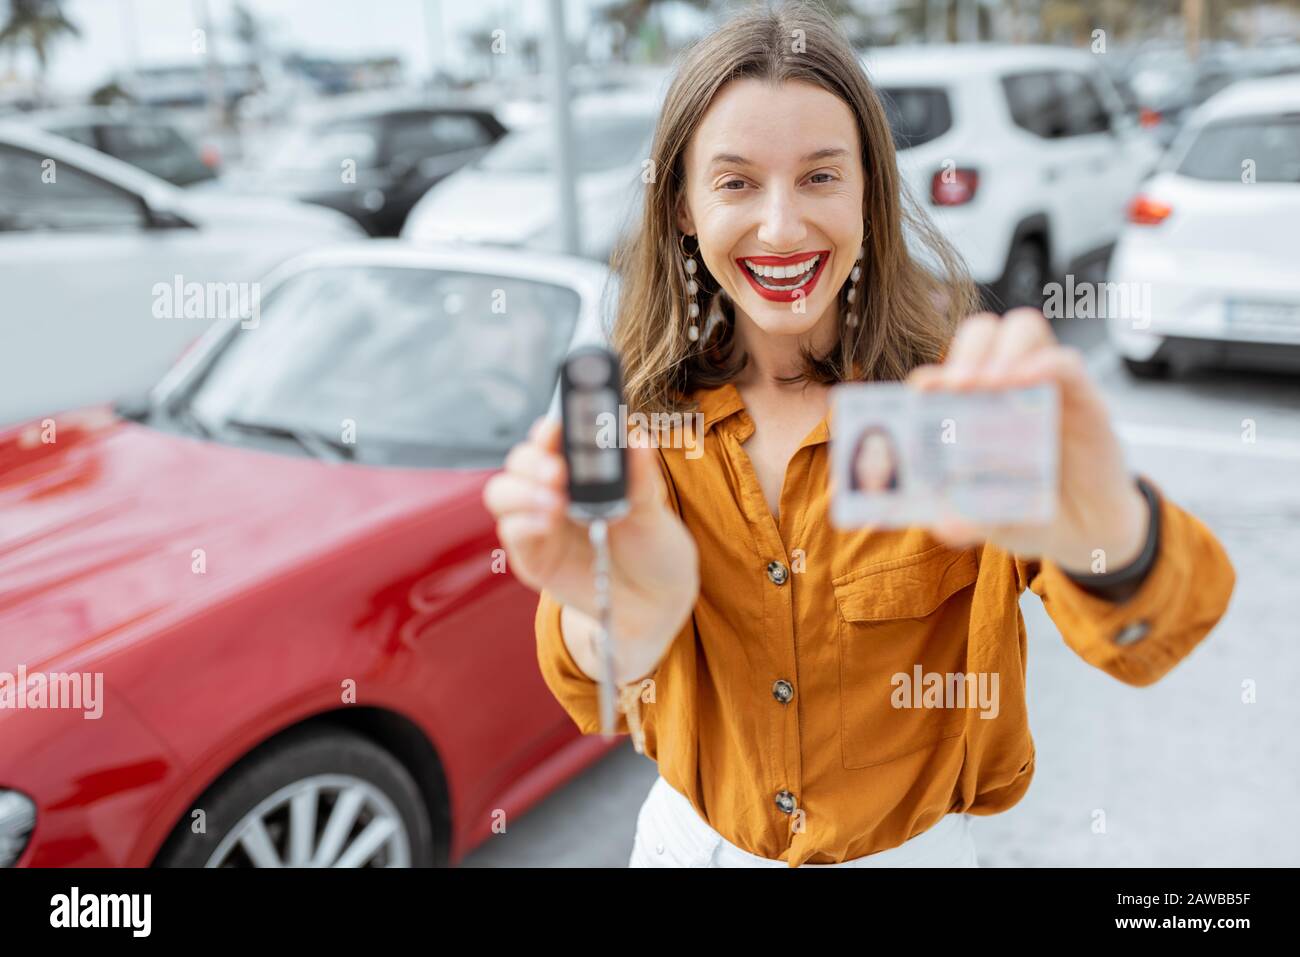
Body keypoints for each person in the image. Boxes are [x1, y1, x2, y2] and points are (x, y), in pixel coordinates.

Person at [482, 1, 1235, 868]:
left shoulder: (951, 396)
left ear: (869, 192)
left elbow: (1159, 633)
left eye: (820, 177)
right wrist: (618, 614)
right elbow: (587, 678)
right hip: (688, 846)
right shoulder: (641, 420)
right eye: (735, 182)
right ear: (682, 206)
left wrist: (1113, 534)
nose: (780, 226)